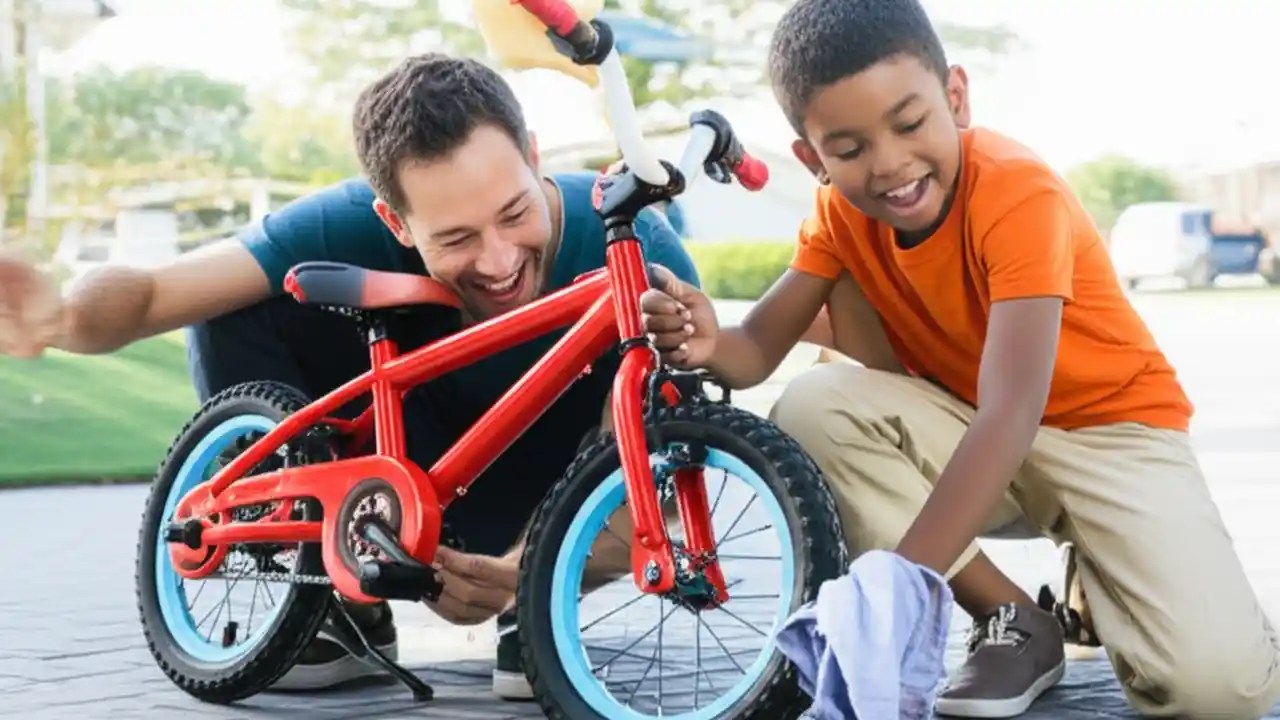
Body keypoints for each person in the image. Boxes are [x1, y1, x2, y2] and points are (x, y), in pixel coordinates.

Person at [639, 0, 1280, 717]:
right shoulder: (837, 217)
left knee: (1218, 692)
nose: (889, 165)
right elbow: (755, 350)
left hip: (1113, 434)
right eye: (849, 150)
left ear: (957, 98)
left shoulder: (1016, 191)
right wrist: (708, 341)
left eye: (910, 124)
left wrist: (897, 592)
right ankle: (1014, 620)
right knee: (814, 407)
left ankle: (1119, 578)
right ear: (812, 159)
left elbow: (1015, 410)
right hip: (973, 430)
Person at [0, 53, 701, 700]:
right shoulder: (345, 222)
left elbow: (670, 476)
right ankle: (336, 603)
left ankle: (539, 605)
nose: (496, 260)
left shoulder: (633, 238)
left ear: (534, 157)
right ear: (394, 220)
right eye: (455, 238)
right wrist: (59, 317)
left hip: (553, 499)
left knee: (647, 380)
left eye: (514, 213)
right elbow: (156, 293)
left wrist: (533, 573)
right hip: (405, 481)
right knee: (237, 307)